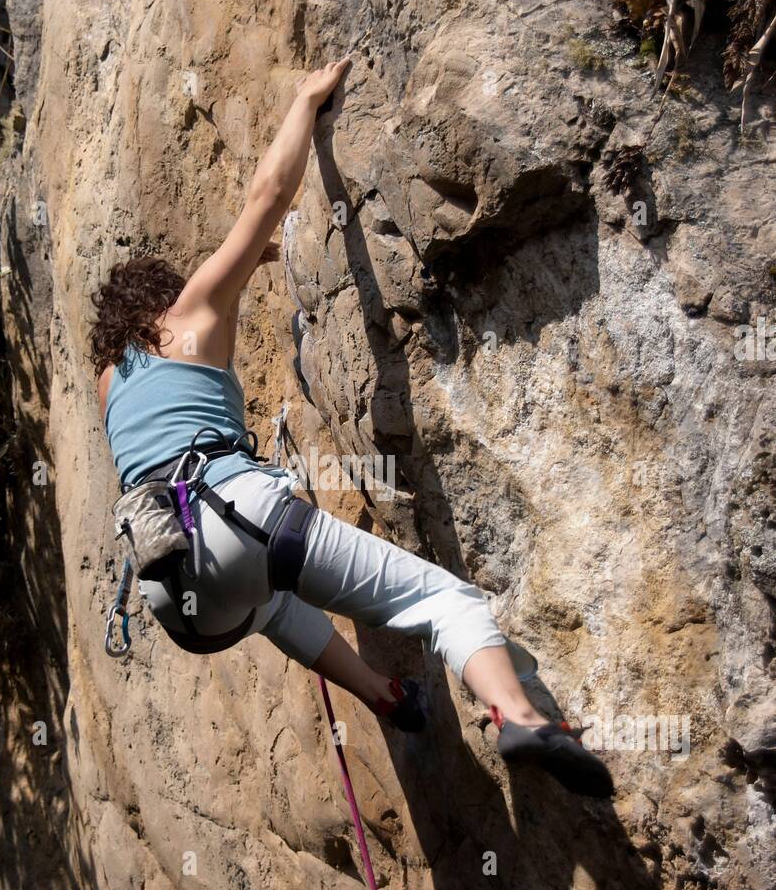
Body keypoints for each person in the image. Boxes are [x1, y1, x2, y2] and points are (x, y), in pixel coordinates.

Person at [91, 59, 614, 799]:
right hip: (238, 516)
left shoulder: (111, 386)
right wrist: (306, 101)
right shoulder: (189, 314)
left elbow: (181, 385)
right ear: (162, 301)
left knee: (269, 600)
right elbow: (266, 197)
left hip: (182, 599)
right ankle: (520, 715)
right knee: (444, 602)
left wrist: (231, 283)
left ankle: (382, 694)